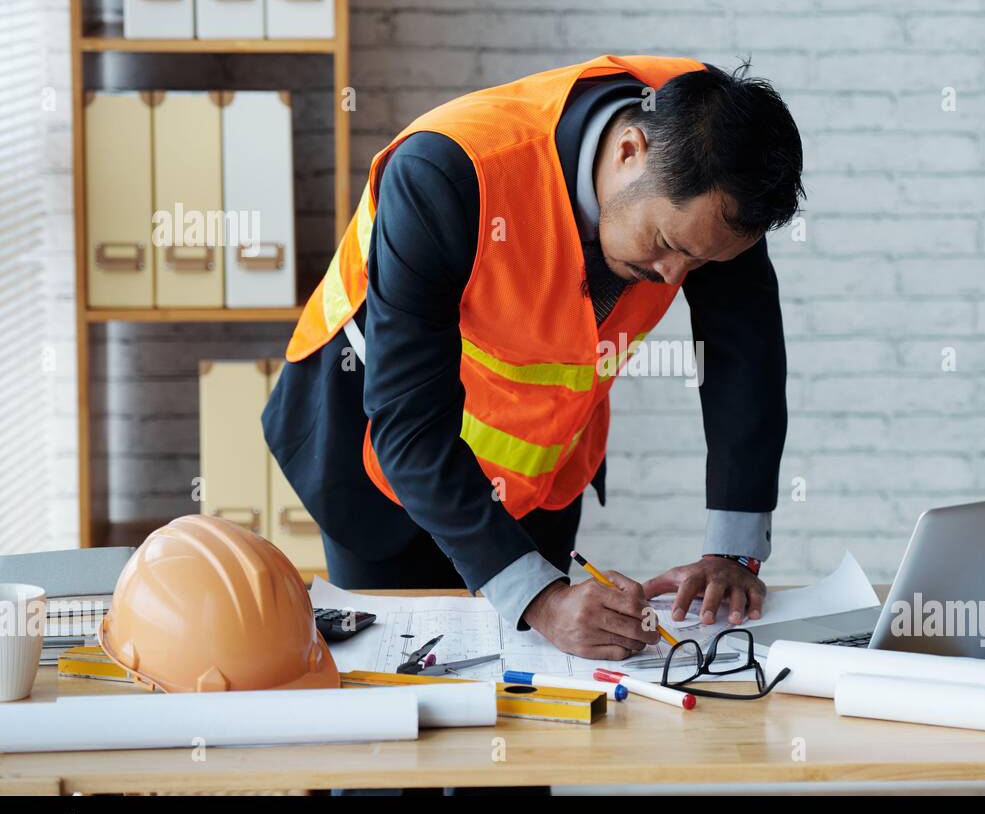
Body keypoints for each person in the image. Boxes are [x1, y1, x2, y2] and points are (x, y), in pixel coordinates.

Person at [263, 55, 804, 660]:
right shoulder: (445, 173)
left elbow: (743, 354)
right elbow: (409, 422)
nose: (676, 277)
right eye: (667, 246)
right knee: (403, 676)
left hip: (541, 459)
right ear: (630, 151)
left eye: (701, 264)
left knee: (529, 674)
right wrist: (539, 600)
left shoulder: (721, 165)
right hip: (379, 455)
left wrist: (730, 553)